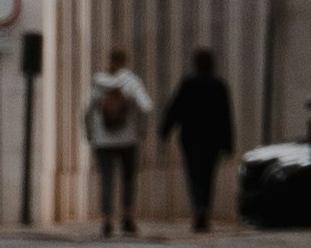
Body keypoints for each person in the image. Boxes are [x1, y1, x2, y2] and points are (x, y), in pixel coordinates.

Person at [157, 46, 237, 234]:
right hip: (213, 140)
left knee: (194, 175)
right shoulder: (219, 86)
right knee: (209, 176)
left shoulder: (188, 84)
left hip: (191, 138)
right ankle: (205, 209)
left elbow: (175, 109)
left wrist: (165, 130)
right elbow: (226, 116)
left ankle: (198, 206)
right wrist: (228, 144)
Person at [78, 51, 153, 237]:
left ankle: (106, 221)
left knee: (106, 180)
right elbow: (146, 106)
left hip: (103, 141)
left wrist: (89, 135)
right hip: (128, 139)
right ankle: (127, 219)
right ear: (125, 61)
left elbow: (86, 110)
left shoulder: (97, 81)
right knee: (128, 179)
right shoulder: (131, 81)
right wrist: (141, 129)